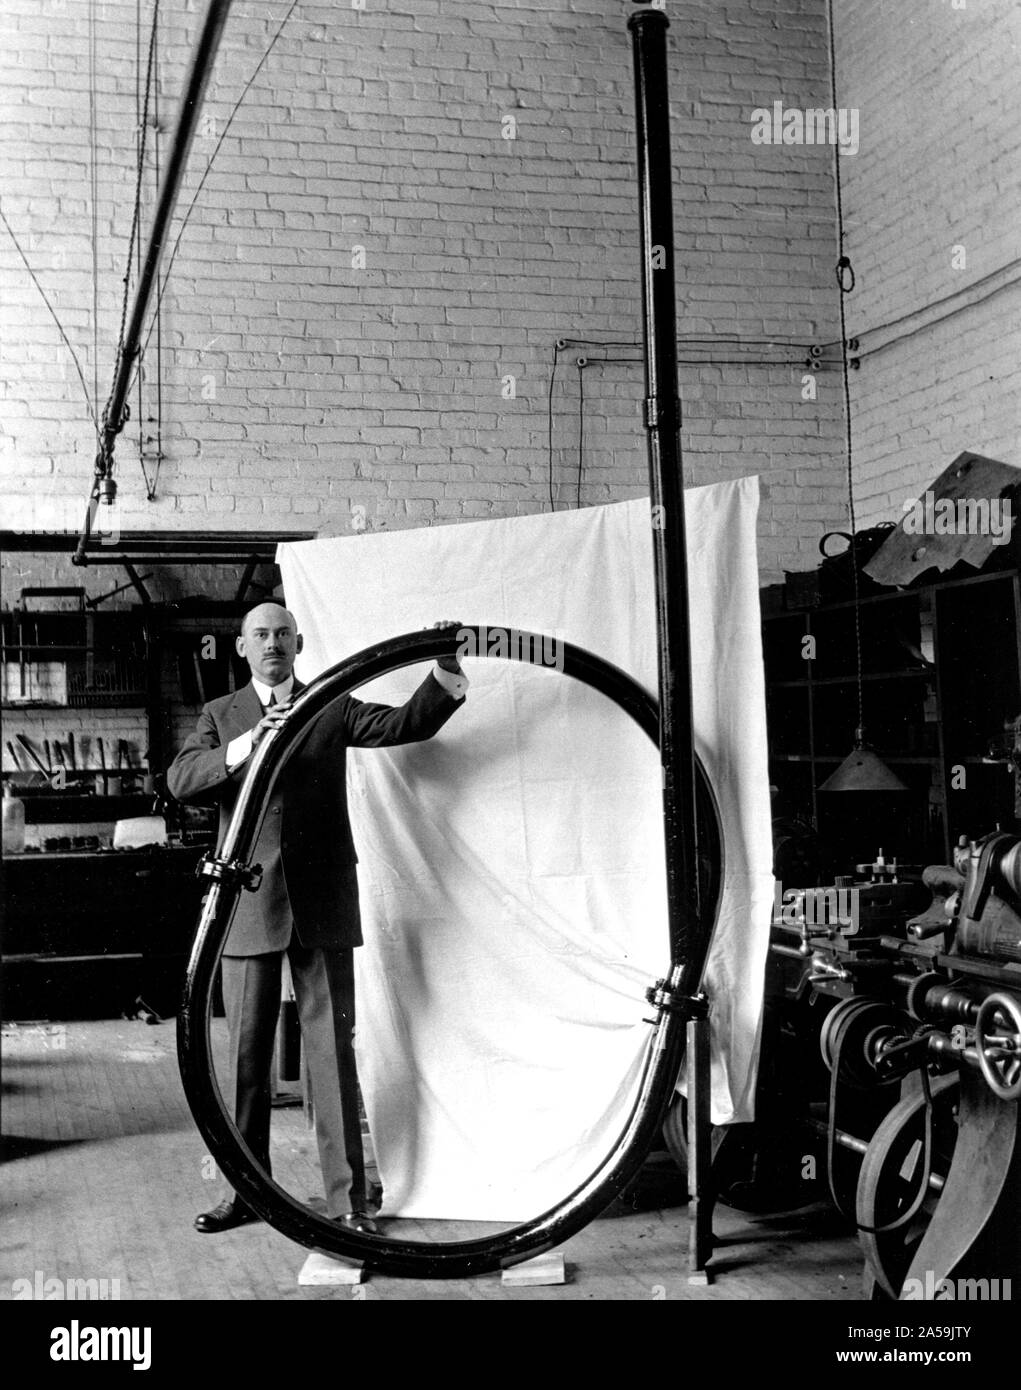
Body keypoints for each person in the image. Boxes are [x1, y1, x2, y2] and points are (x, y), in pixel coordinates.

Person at [167, 602, 467, 1234]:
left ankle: (349, 1205)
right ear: (241, 648)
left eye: (282, 634)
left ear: (298, 643)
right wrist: (249, 744)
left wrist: (443, 672)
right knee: (246, 1062)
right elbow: (182, 779)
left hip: (322, 905)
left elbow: (405, 724)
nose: (272, 643)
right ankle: (247, 1193)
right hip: (246, 906)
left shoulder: (330, 703)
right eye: (260, 635)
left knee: (331, 1058)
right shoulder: (222, 717)